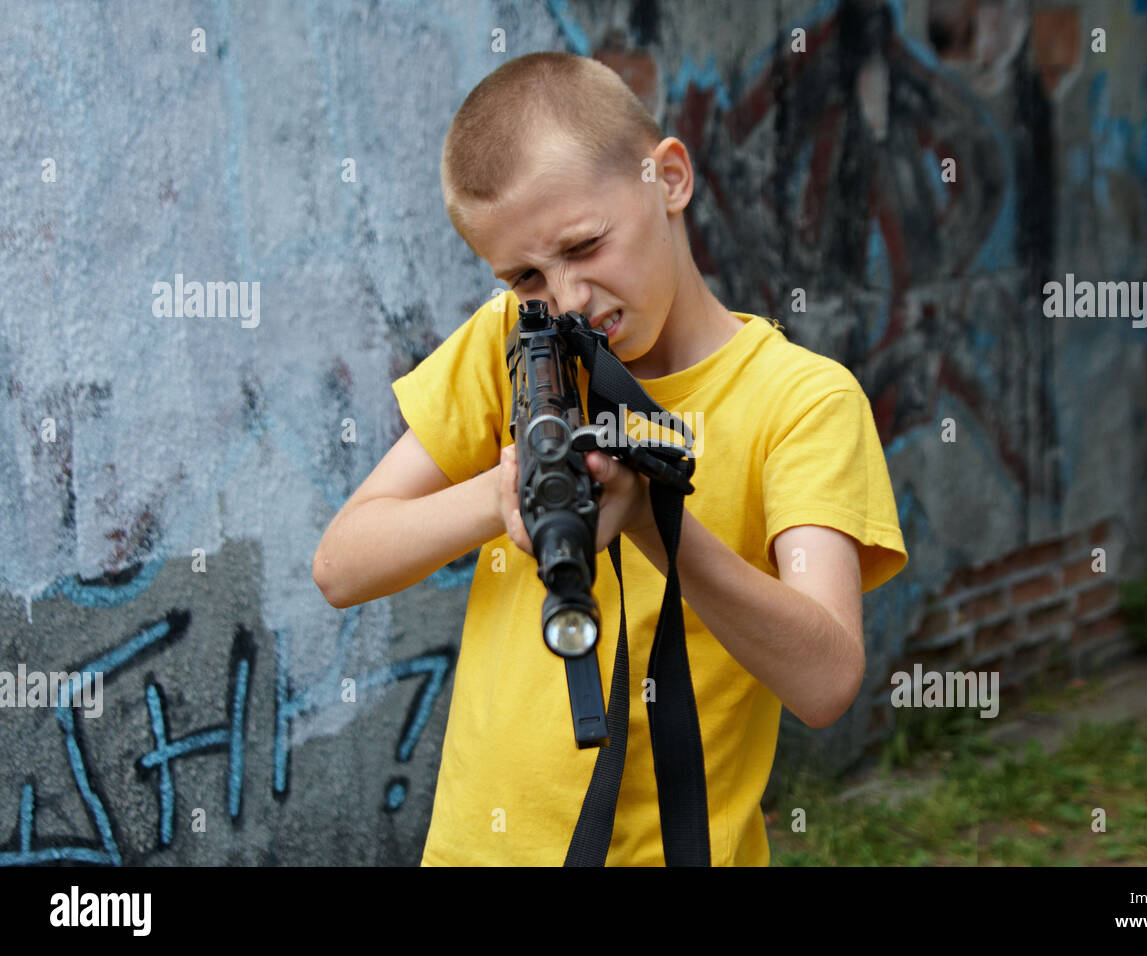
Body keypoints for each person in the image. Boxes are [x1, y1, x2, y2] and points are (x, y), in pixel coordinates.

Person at [312, 51, 908, 866]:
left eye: (585, 245)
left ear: (667, 178)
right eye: (525, 274)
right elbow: (342, 566)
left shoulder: (801, 402)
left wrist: (655, 524)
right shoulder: (511, 346)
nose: (567, 300)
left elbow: (827, 680)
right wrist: (501, 494)